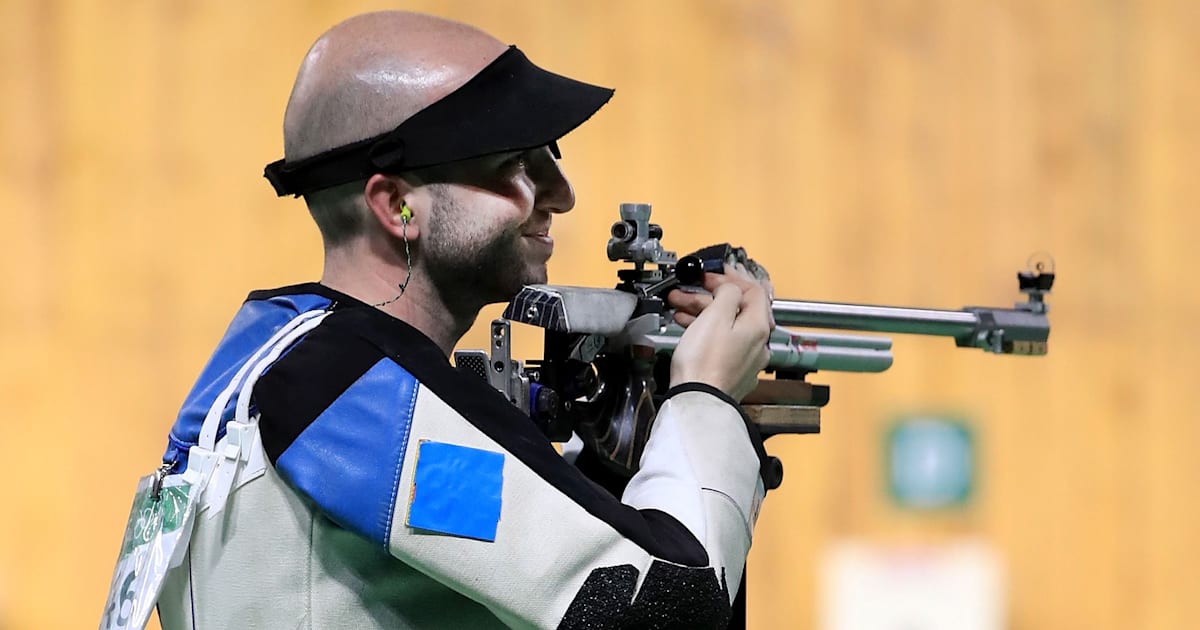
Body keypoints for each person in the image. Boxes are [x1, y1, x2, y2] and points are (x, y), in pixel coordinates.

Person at [156, 10, 773, 630]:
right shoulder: (351, 399)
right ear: (398, 206)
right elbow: (668, 607)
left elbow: (523, 573)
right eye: (517, 162)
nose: (560, 194)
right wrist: (706, 399)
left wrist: (617, 460)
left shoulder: (280, 361)